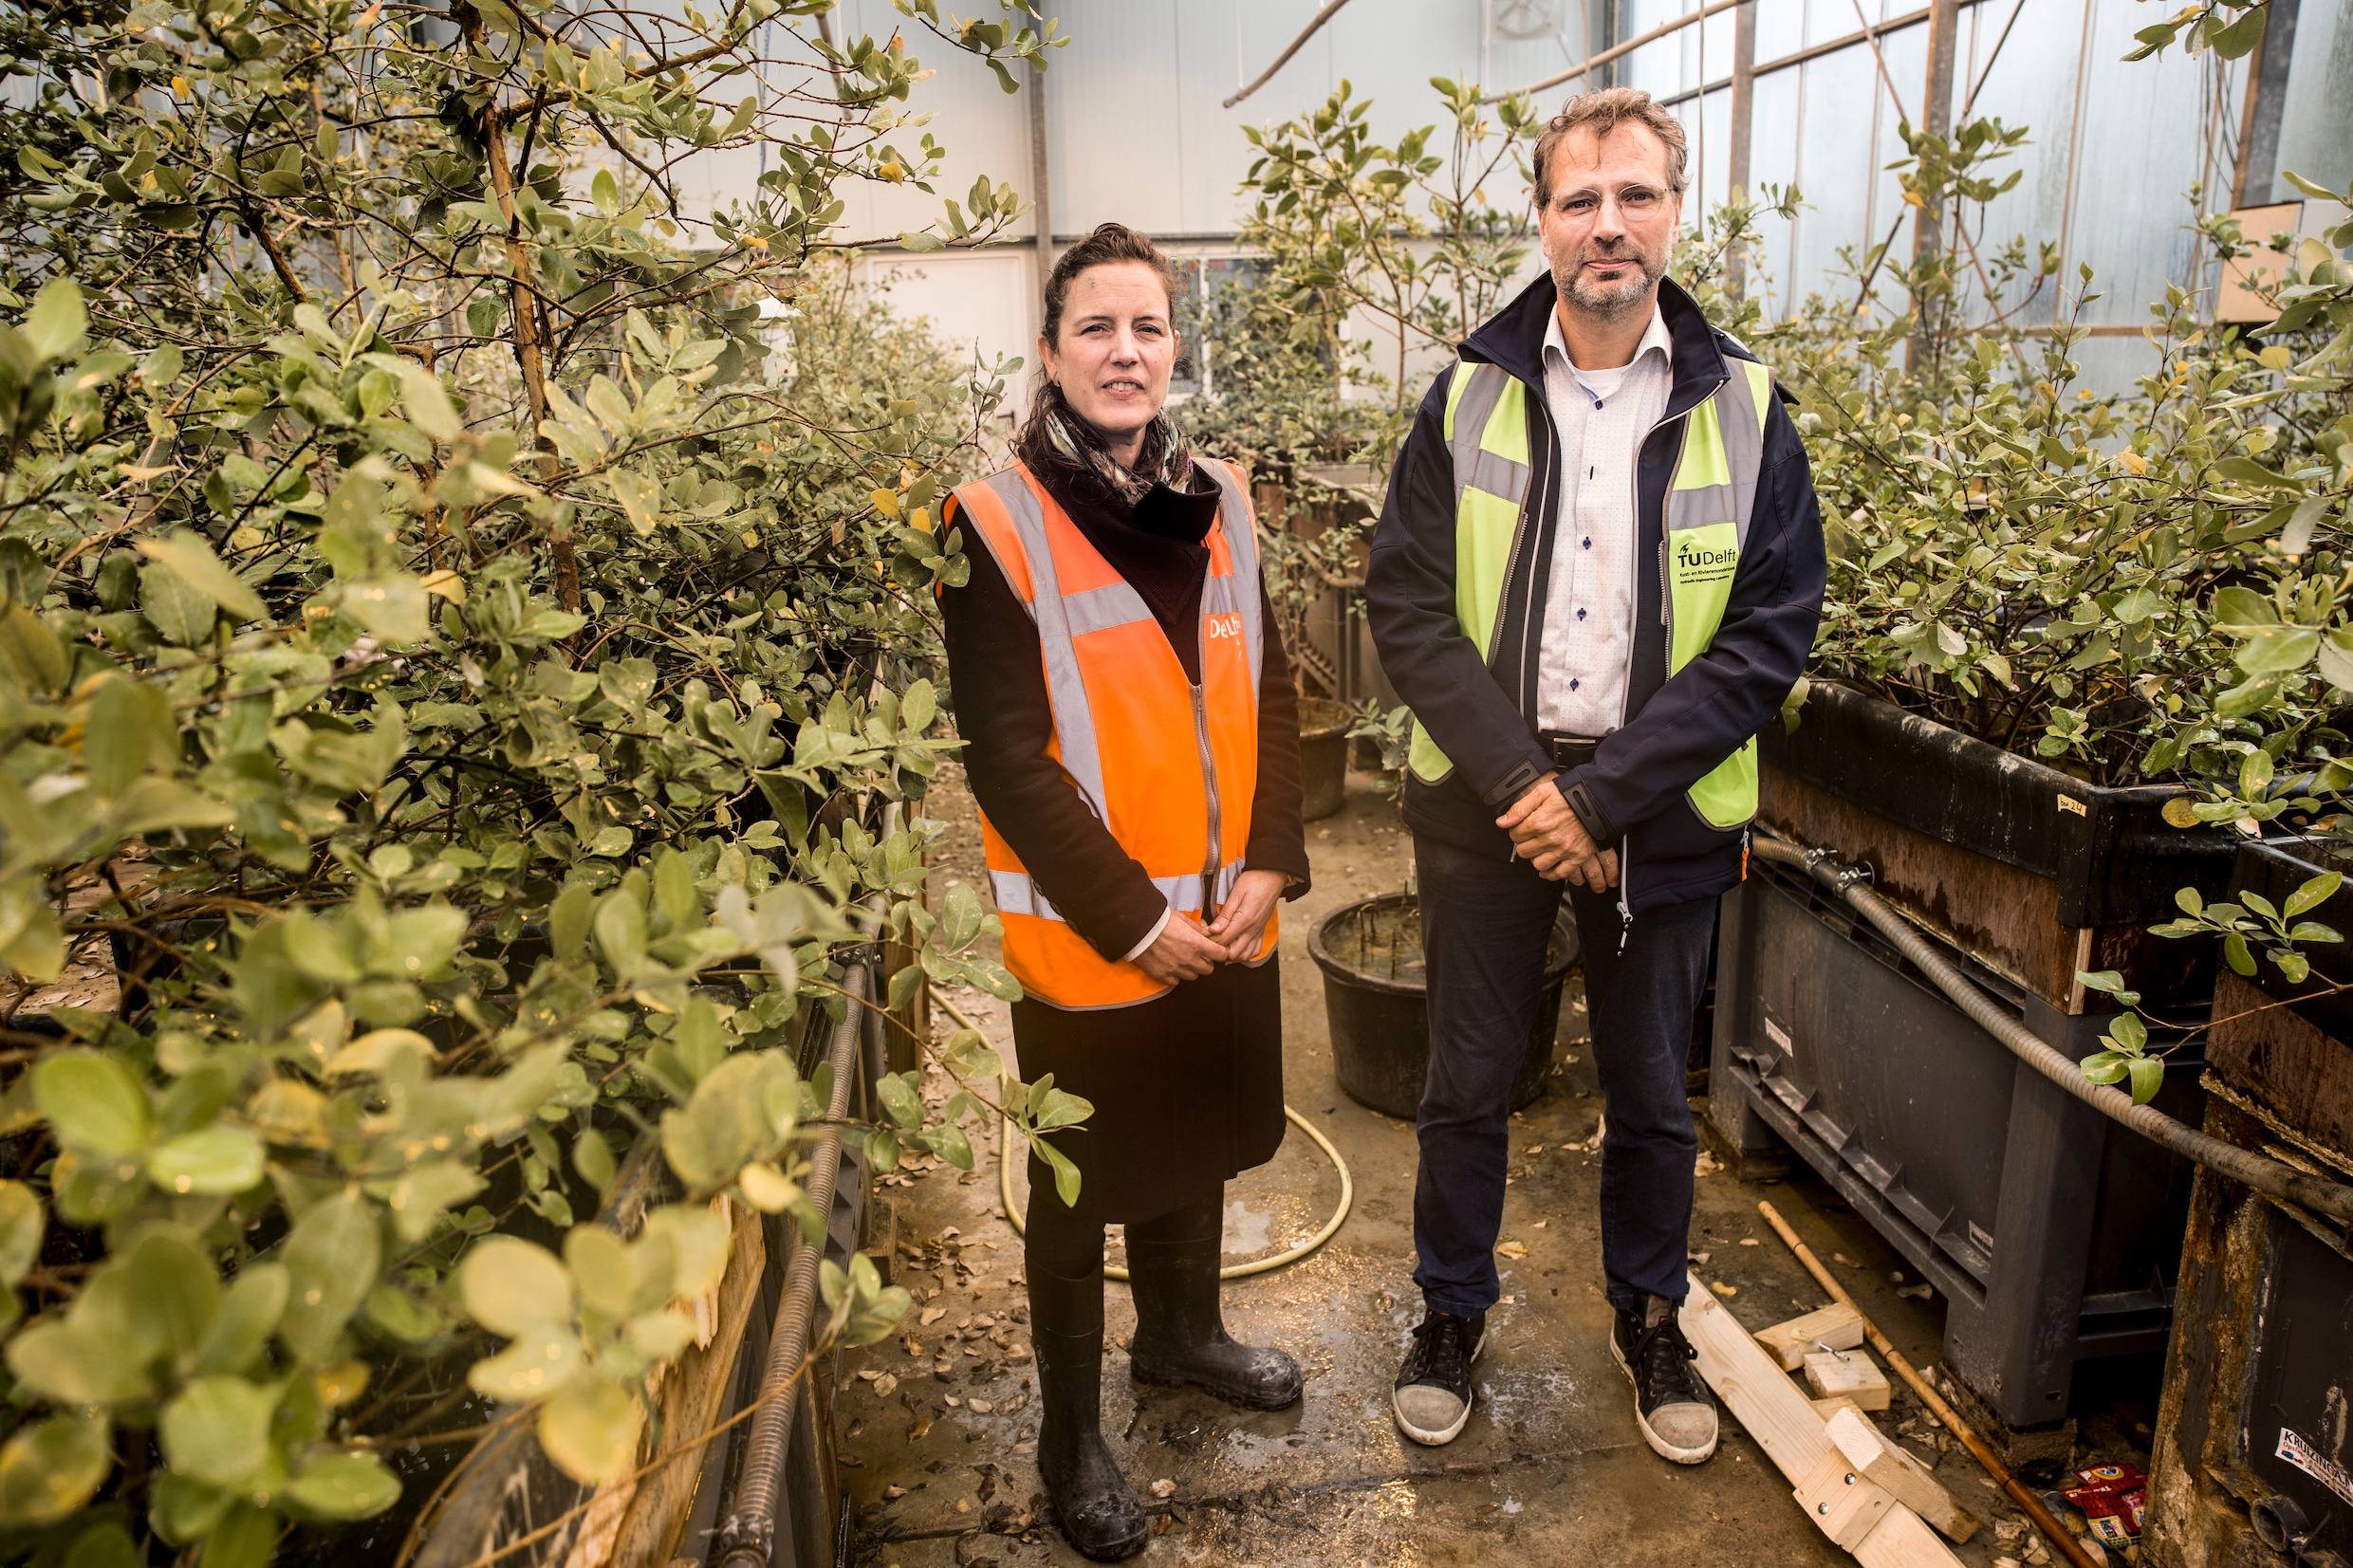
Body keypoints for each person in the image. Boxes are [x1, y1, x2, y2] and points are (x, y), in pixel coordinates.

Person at [1364, 88, 1827, 1459]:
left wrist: (1606, 796)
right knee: (1464, 1078)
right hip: (1488, 803)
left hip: (1660, 813)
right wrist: (1529, 787)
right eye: (1580, 198)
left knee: (1648, 1094)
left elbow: (1768, 634)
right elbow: (1405, 605)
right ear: (1544, 220)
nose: (1607, 224)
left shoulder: (1746, 411)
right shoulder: (1468, 395)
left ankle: (1650, 1316)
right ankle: (1451, 1307)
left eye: (1635, 195)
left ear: (1676, 214)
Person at [938, 222, 1312, 1562]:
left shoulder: (1223, 495)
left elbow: (1269, 680)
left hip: (1227, 912)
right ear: (1050, 352)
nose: (1125, 350)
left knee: (1199, 1131)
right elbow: (1005, 753)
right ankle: (1067, 1434)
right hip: (1103, 938)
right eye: (1096, 327)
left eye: (1148, 326)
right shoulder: (995, 522)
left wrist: (1270, 855)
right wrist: (1136, 918)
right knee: (1081, 1181)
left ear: (1175, 347)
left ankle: (1184, 1336)